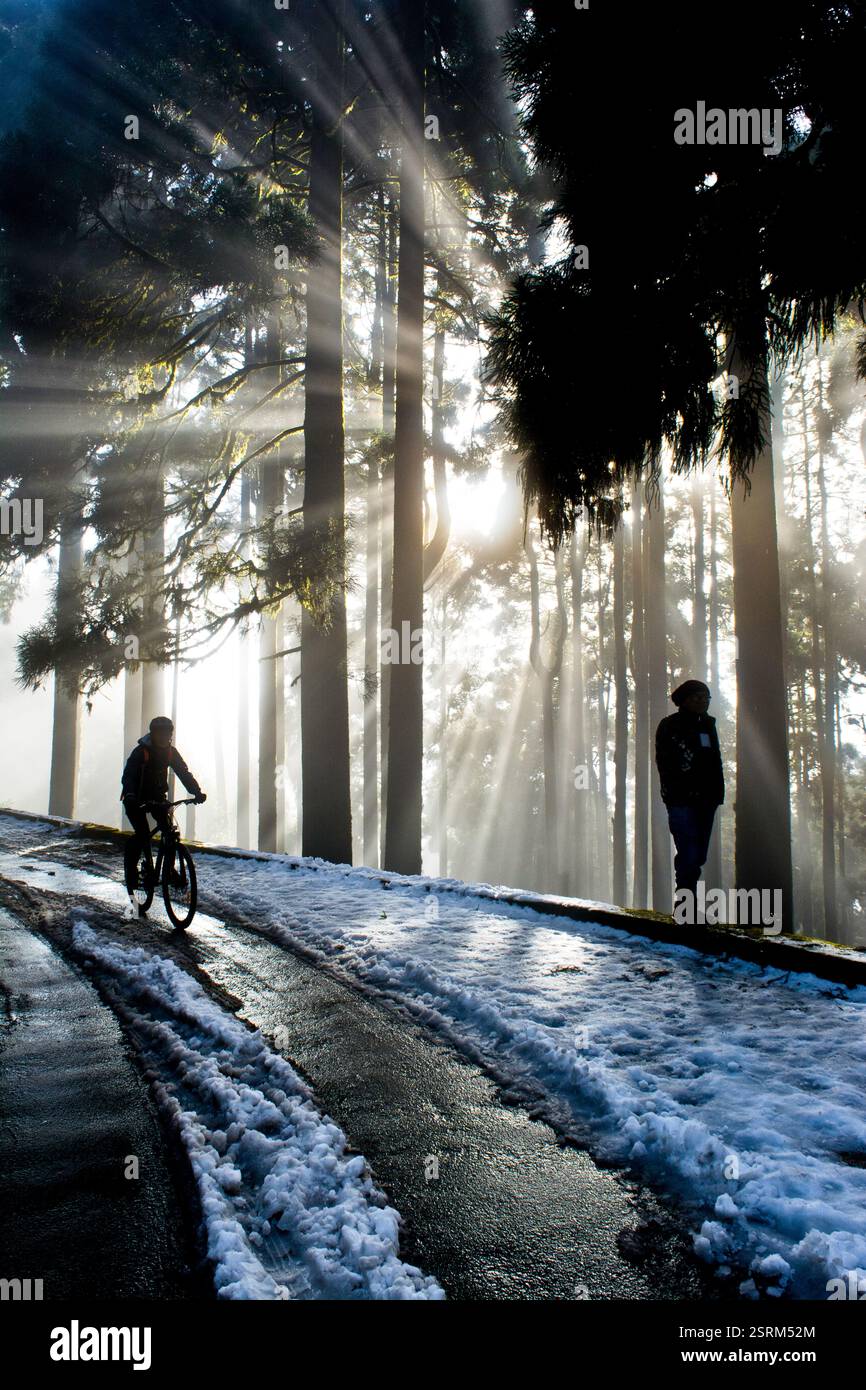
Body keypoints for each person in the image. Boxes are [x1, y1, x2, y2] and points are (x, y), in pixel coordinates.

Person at [654, 680, 724, 909]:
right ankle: (685, 907)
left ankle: (689, 904)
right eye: (697, 697)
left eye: (706, 697)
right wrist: (675, 792)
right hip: (680, 800)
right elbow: (665, 762)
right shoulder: (670, 726)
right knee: (688, 852)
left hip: (707, 800)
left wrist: (716, 794)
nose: (702, 701)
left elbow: (715, 762)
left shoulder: (708, 725)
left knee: (699, 854)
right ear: (684, 700)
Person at [121, 716, 206, 889]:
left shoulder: (170, 752)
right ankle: (131, 872)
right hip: (134, 798)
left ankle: (168, 870)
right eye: (160, 734)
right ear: (153, 734)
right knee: (143, 833)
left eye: (167, 734)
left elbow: (183, 773)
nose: (164, 738)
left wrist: (196, 792)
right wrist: (129, 795)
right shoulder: (141, 752)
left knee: (169, 831)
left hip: (158, 797)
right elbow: (128, 776)